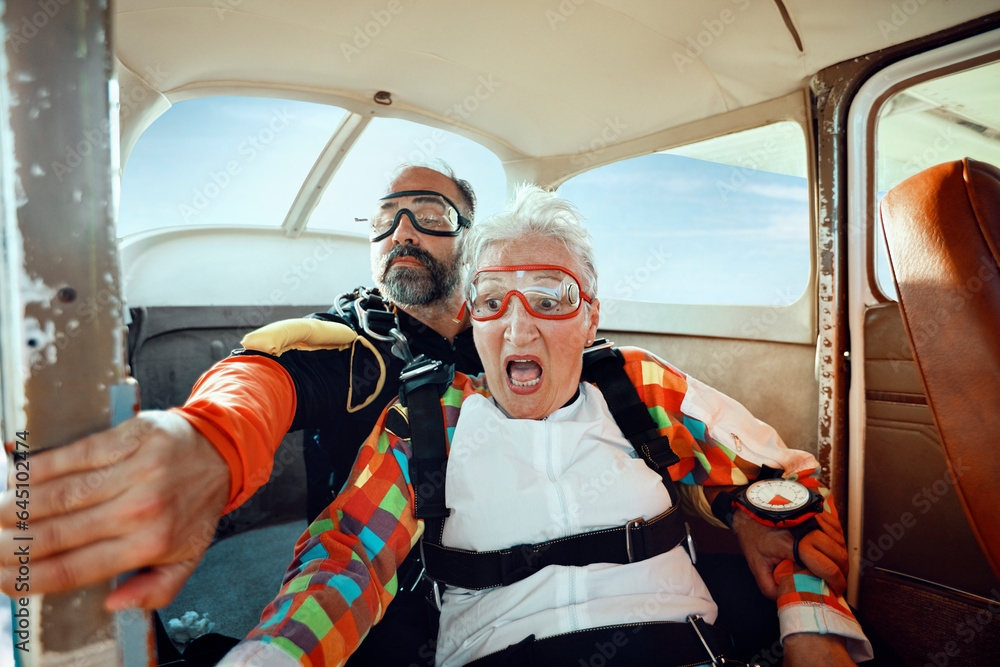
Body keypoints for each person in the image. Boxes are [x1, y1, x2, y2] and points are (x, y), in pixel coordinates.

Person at [215, 186, 873, 667]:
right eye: (494, 300)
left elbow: (777, 482)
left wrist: (810, 621)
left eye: (551, 298)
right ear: (475, 318)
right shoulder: (425, 423)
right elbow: (349, 557)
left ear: (589, 315)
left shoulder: (634, 385)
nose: (519, 326)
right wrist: (271, 655)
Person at [0, 162, 484, 663]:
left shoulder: (506, 336)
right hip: (372, 609)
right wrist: (208, 439)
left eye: (430, 214)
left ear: (471, 239)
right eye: (385, 218)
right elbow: (265, 373)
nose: (402, 231)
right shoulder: (353, 341)